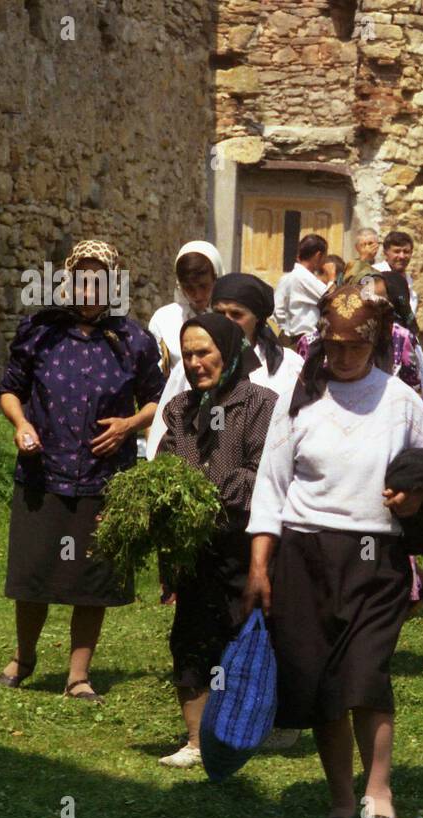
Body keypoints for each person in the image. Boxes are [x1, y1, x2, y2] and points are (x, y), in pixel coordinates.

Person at [245, 283, 423, 818]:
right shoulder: (303, 398)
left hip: (375, 557)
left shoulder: (400, 399)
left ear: (375, 342)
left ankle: (377, 794)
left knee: (364, 675)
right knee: (318, 681)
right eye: (331, 346)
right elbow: (270, 483)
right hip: (305, 555)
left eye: (352, 347)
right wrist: (260, 566)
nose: (340, 357)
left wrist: (416, 496)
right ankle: (340, 797)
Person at [0, 239, 164, 702]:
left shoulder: (133, 340)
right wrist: (22, 422)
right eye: (81, 278)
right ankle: (23, 658)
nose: (89, 289)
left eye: (99, 279)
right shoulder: (39, 332)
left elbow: (158, 399)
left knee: (92, 577)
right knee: (34, 572)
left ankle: (78, 676)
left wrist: (130, 424)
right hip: (42, 473)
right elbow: (10, 389)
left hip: (104, 477)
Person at [154, 313, 278, 767]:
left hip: (243, 541)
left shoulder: (260, 404)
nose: (194, 362)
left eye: (203, 352)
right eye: (187, 355)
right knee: (190, 635)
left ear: (228, 352)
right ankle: (197, 741)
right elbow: (168, 462)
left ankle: (250, 726)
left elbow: (261, 470)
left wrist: (206, 494)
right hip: (193, 546)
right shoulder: (181, 410)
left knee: (241, 633)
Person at [148, 272, 304, 457]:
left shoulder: (288, 366)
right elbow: (164, 431)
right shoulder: (191, 365)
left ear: (258, 319)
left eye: (236, 314)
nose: (226, 320)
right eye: (219, 313)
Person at [148, 241, 223, 377]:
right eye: (188, 288)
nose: (197, 295)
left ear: (216, 279)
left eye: (203, 286)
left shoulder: (230, 317)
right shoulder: (163, 320)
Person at [272, 233, 329, 341]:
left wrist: (287, 327)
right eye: (325, 256)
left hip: (288, 337)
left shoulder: (286, 278)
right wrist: (332, 277)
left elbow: (277, 310)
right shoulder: (305, 277)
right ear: (318, 256)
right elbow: (330, 297)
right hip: (307, 338)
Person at [375, 229, 417, 319]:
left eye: (406, 252)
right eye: (397, 251)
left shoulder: (409, 281)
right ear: (386, 252)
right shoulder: (375, 274)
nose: (402, 256)